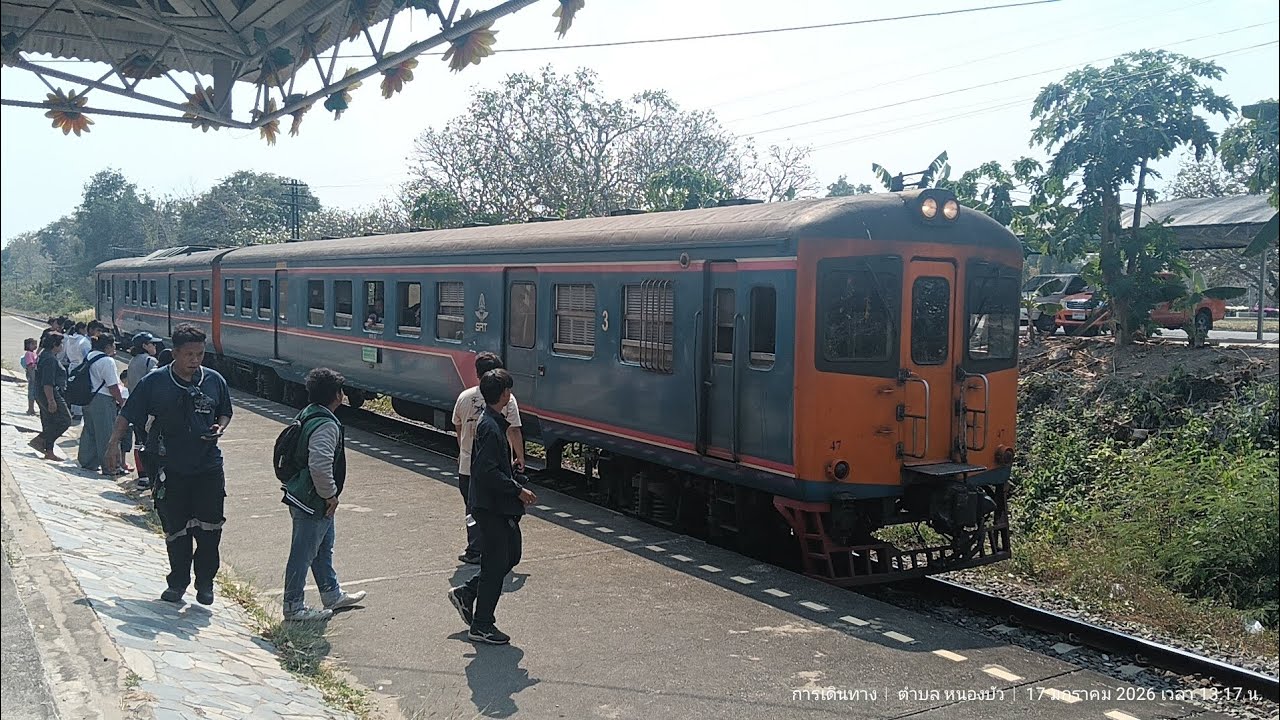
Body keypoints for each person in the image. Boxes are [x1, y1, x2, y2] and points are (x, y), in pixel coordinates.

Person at [105, 324, 231, 606]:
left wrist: (219, 428)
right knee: (177, 529)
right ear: (174, 353)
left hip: (208, 467)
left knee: (210, 529)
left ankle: (206, 582)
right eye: (188, 354)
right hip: (169, 468)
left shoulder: (214, 380)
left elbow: (225, 412)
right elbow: (127, 414)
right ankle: (178, 583)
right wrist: (113, 444)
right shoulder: (155, 382)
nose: (195, 360)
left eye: (200, 354)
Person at [448, 369, 537, 646]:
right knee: (497, 562)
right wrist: (516, 489)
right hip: (491, 507)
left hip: (496, 505)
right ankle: (482, 624)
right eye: (509, 391)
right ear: (503, 395)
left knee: (510, 555)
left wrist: (509, 471)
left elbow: (490, 466)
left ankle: (467, 593)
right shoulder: (490, 426)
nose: (510, 396)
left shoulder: (493, 423)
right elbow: (486, 472)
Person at [280, 368, 367, 622]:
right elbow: (319, 464)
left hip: (302, 493)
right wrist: (330, 496)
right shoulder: (327, 424)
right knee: (303, 553)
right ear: (337, 395)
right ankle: (293, 605)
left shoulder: (310, 413)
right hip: (312, 499)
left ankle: (331, 593)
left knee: (322, 548)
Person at [450, 352, 525, 564]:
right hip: (498, 468)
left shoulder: (465, 397)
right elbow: (515, 430)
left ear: (477, 373)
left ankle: (475, 550)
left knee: (473, 509)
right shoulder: (507, 400)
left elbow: (458, 426)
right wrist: (520, 456)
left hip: (467, 465)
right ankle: (495, 550)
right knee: (496, 510)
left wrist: (463, 450)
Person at [77, 333, 126, 475]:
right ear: (109, 346)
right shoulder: (107, 361)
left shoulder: (90, 356)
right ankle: (110, 467)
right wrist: (121, 402)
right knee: (106, 433)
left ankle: (87, 461)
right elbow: (113, 386)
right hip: (103, 399)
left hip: (88, 397)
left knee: (90, 431)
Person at [27, 333, 70, 462]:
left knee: (49, 421)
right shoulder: (50, 359)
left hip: (41, 392)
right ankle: (40, 440)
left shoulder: (44, 355)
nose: (62, 346)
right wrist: (51, 400)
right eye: (60, 344)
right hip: (49, 393)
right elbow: (48, 382)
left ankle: (49, 451)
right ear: (54, 345)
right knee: (64, 420)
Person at [127, 333, 159, 486]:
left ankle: (142, 475)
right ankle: (151, 474)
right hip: (147, 409)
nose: (155, 346)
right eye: (152, 343)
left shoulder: (132, 361)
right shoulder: (150, 361)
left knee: (138, 443)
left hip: (135, 408)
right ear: (145, 346)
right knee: (150, 442)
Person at [20, 338, 38, 415]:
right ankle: (30, 409)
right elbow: (30, 365)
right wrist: (32, 376)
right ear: (28, 345)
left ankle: (32, 409)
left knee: (34, 391)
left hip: (34, 373)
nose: (35, 346)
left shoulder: (33, 353)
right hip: (32, 373)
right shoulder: (29, 354)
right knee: (32, 391)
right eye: (33, 344)